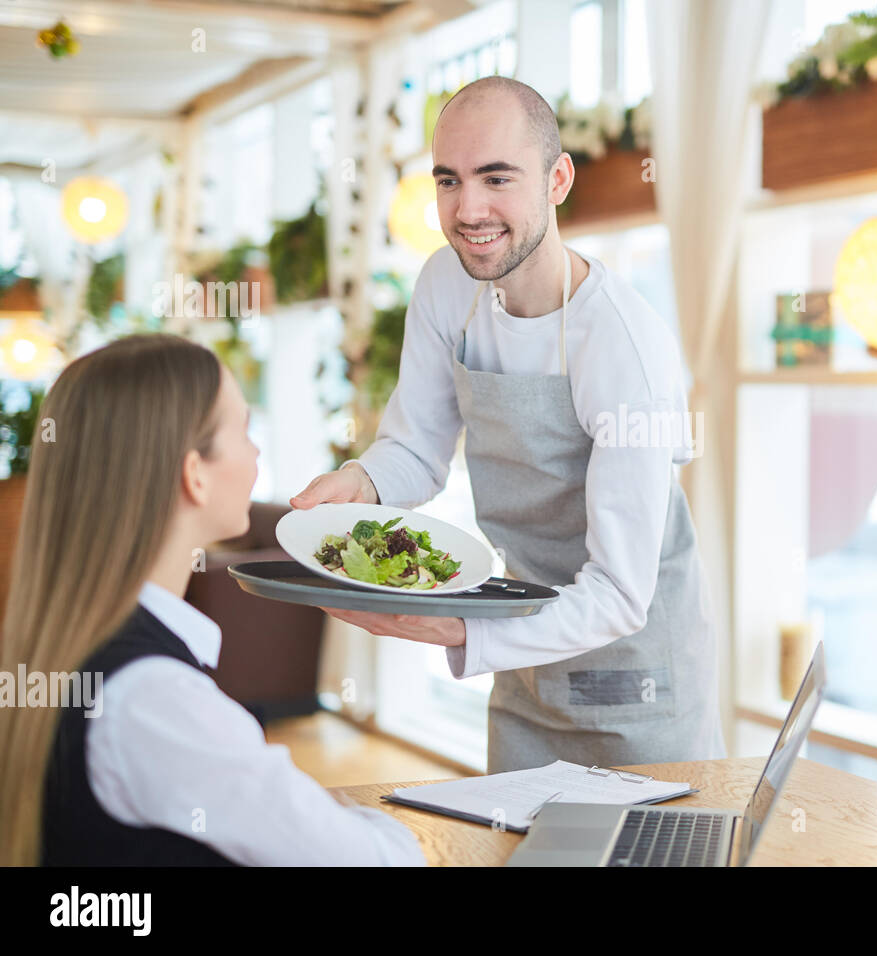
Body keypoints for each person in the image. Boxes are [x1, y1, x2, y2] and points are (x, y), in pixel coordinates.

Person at [291, 76, 726, 774]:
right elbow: (415, 449)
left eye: (497, 178)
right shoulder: (444, 285)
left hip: (631, 666)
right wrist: (358, 483)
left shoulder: (621, 345)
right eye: (448, 180)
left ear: (557, 179)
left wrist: (461, 628)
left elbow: (618, 596)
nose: (468, 209)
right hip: (518, 645)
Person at [0, 334, 424, 866]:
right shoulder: (154, 698)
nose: (257, 450)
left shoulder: (70, 649)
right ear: (193, 474)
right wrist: (362, 820)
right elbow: (375, 861)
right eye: (243, 430)